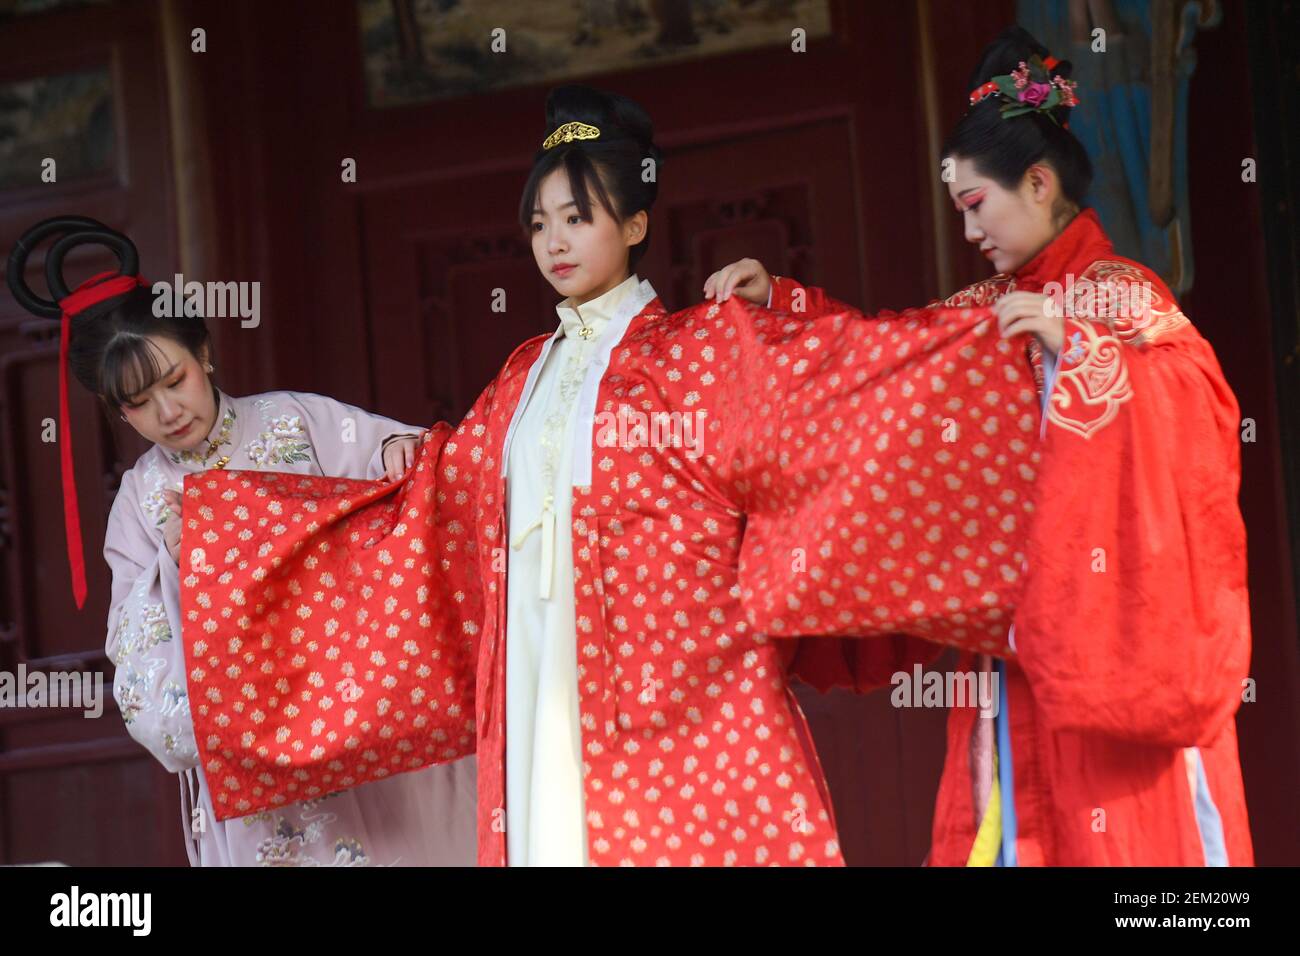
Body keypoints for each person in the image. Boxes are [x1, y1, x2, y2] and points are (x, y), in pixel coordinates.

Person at [176, 85, 1051, 865]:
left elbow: (845, 385)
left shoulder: (701, 349)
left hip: (686, 694)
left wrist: (994, 342)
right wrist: (243, 531)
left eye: (577, 218)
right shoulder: (519, 378)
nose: (554, 242)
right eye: (539, 223)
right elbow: (431, 511)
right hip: (537, 682)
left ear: (634, 225)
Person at [704, 26, 1253, 866]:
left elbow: (1200, 417)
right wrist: (779, 311)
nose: (968, 233)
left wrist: (1083, 352)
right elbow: (877, 372)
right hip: (1009, 665)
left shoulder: (1120, 297)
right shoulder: (981, 313)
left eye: (974, 205)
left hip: (1114, 658)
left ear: (1037, 183)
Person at [6, 217, 478, 866]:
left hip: (370, 720)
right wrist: (185, 572)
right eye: (140, 403)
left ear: (202, 352)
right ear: (119, 412)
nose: (168, 412)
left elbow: (420, 477)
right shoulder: (141, 507)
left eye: (174, 380)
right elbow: (141, 661)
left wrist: (403, 452)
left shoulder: (297, 422)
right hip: (265, 767)